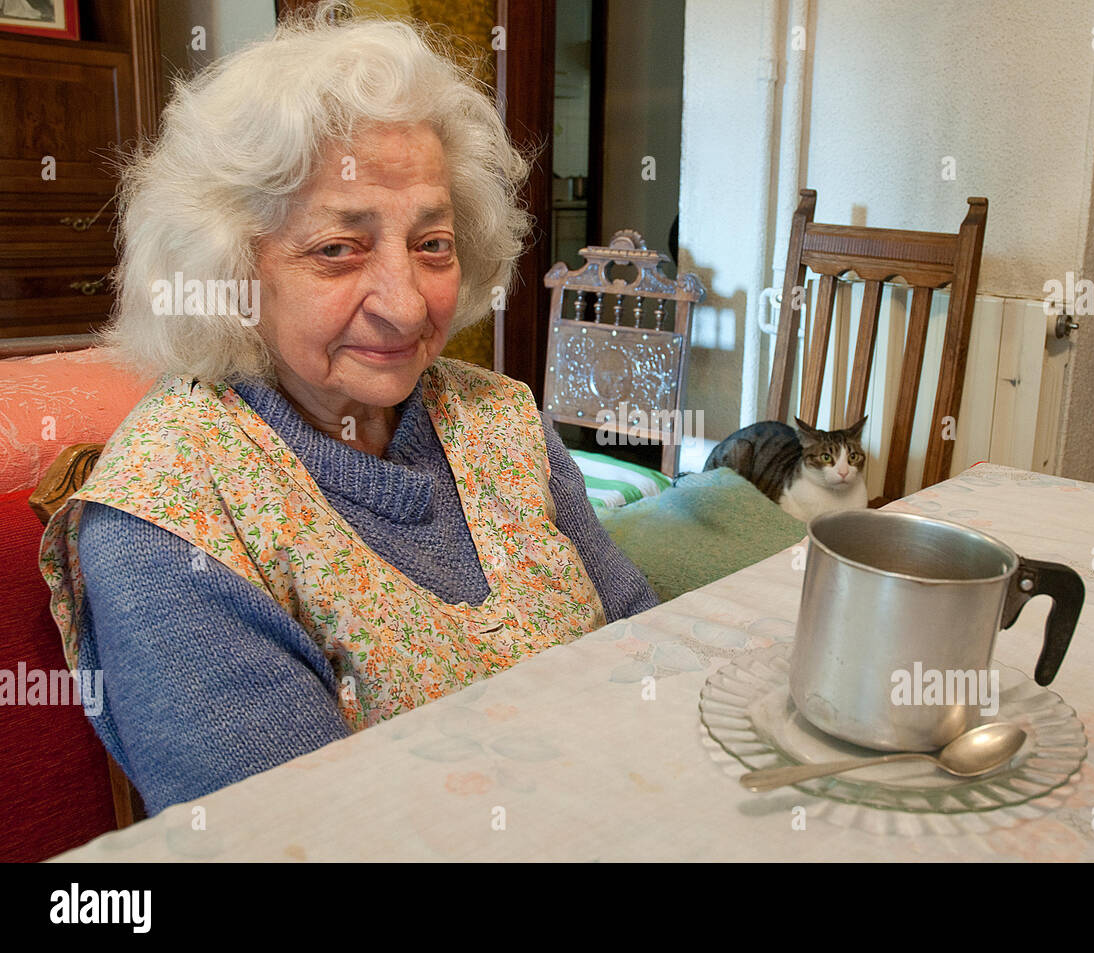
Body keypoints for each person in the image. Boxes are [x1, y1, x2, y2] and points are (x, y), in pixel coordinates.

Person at [38, 5, 658, 816]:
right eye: (339, 248)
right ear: (228, 266)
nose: (405, 306)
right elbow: (299, 838)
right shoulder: (165, 519)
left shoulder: (503, 417)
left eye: (432, 242)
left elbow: (644, 648)